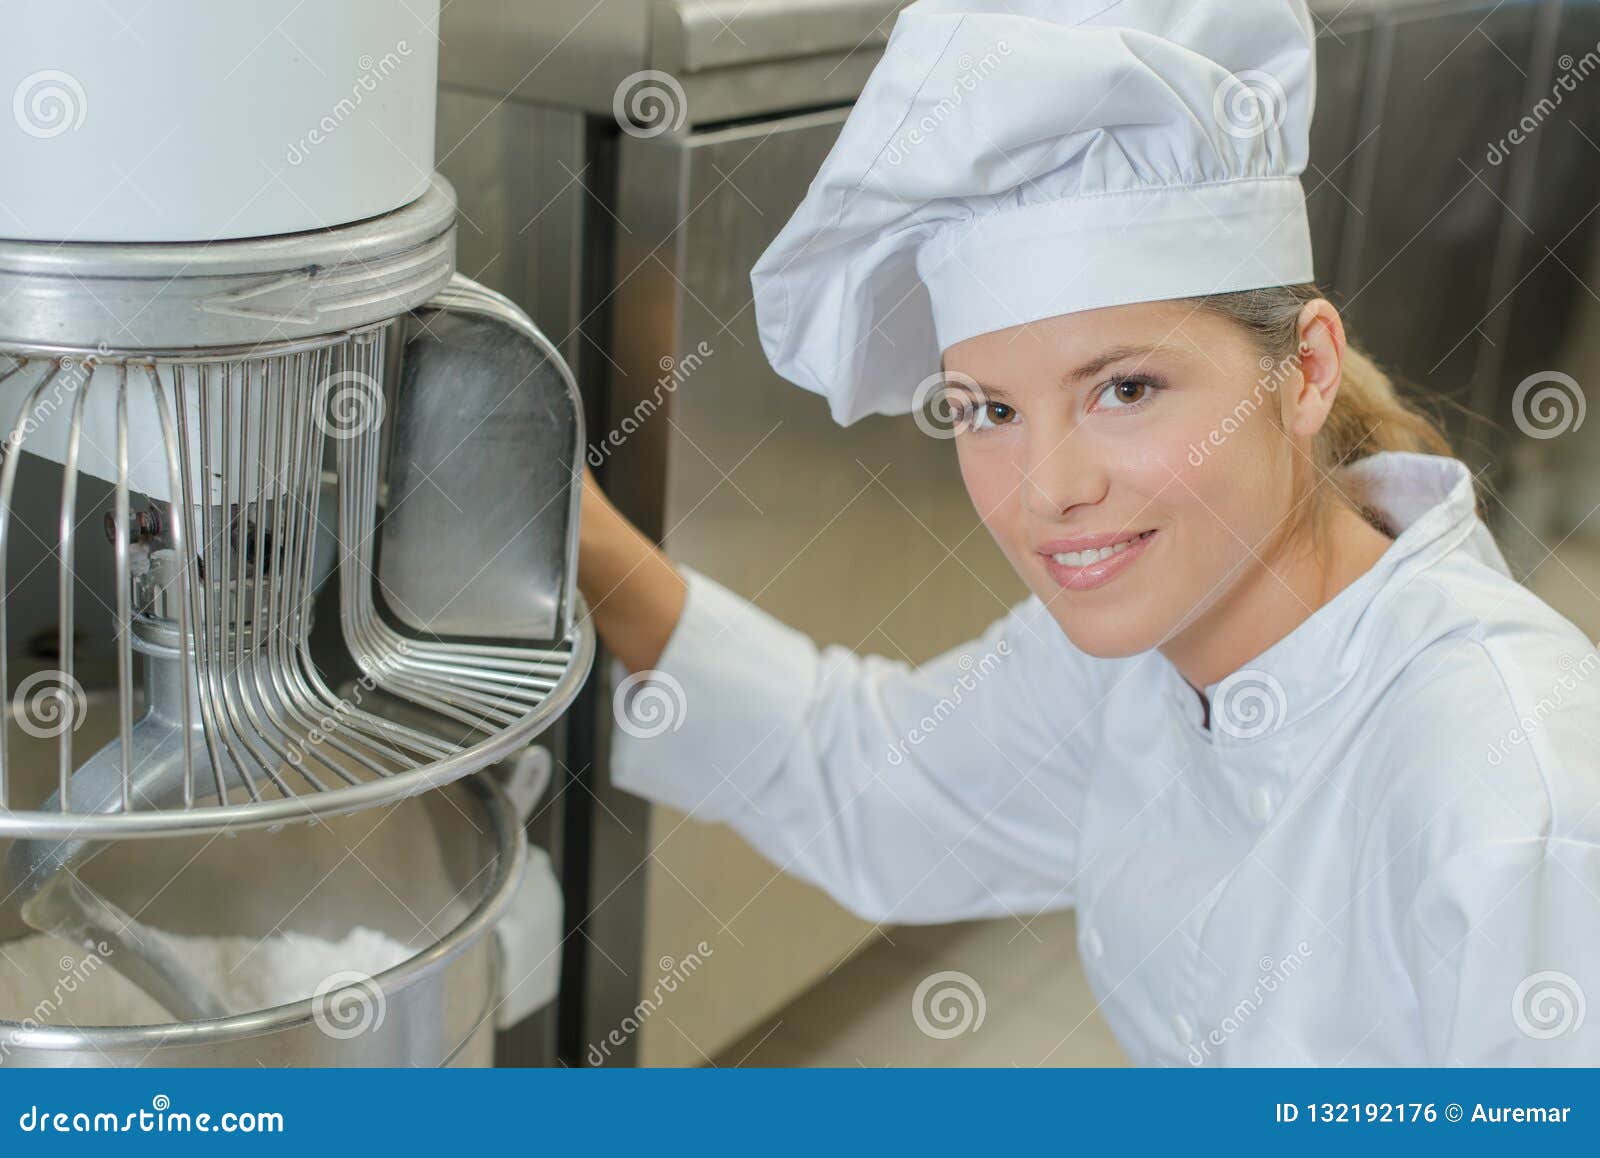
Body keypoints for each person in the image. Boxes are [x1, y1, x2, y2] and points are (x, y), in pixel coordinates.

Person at [577, 0, 1600, 1065]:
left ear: (1303, 370)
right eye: (987, 410)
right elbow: (867, 781)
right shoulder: (1139, 653)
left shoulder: (1514, 788)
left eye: (1124, 387)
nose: (1047, 491)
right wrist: (576, 532)